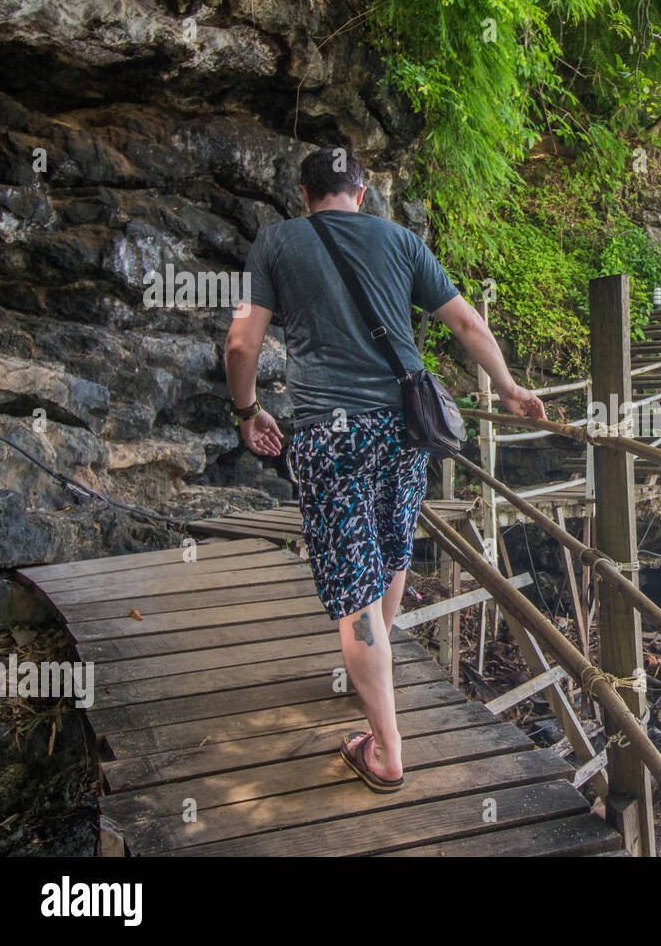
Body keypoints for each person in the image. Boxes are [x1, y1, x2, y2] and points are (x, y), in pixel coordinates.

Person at [224, 147, 545, 793]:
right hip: (404, 426)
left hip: (330, 434)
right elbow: (465, 321)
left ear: (305, 191)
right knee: (393, 553)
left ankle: (386, 749)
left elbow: (240, 343)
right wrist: (509, 388)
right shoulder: (402, 240)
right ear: (361, 191)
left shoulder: (274, 242)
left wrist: (247, 411)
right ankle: (376, 673)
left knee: (353, 590)